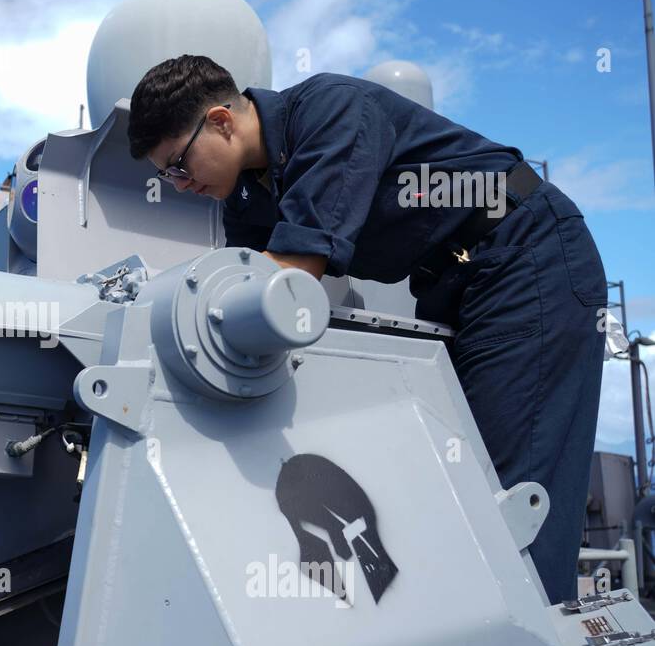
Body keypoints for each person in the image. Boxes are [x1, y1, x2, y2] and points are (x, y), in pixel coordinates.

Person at [127, 54, 607, 605]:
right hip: (454, 284)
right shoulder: (245, 196)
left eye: (179, 165)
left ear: (221, 121)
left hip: (524, 254)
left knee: (507, 494)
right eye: (167, 176)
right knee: (460, 488)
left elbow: (286, 282)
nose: (180, 185)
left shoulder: (329, 112)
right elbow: (245, 295)